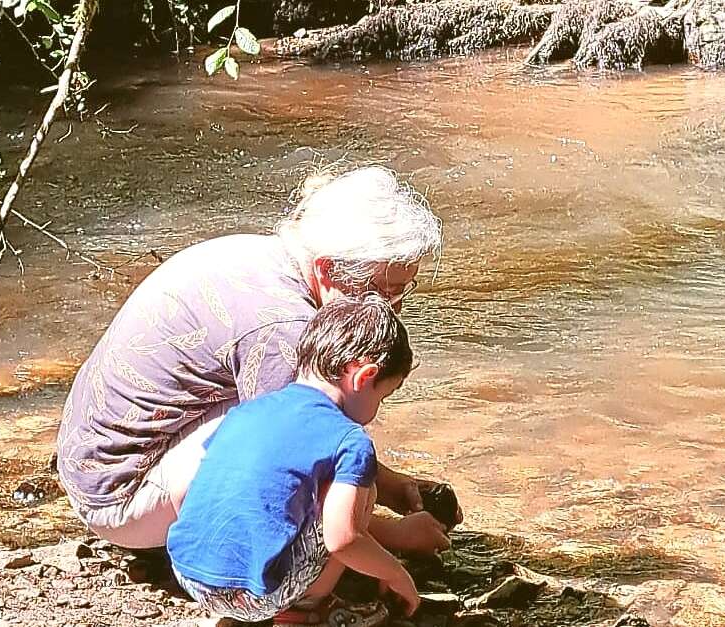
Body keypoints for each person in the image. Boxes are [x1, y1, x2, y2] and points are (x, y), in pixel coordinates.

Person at [56, 166, 458, 552]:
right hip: (120, 497)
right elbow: (292, 463)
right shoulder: (286, 327)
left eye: (403, 291)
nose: (392, 310)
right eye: (381, 291)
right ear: (327, 269)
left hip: (96, 467)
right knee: (294, 441)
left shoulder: (262, 256)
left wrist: (387, 485)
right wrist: (393, 536)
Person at [167, 295, 420, 627]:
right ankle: (303, 610)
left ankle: (231, 589)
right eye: (382, 396)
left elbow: (182, 487)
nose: (377, 409)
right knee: (362, 490)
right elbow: (342, 539)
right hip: (261, 597)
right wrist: (397, 574)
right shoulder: (350, 440)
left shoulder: (249, 411)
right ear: (363, 377)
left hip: (190, 577)